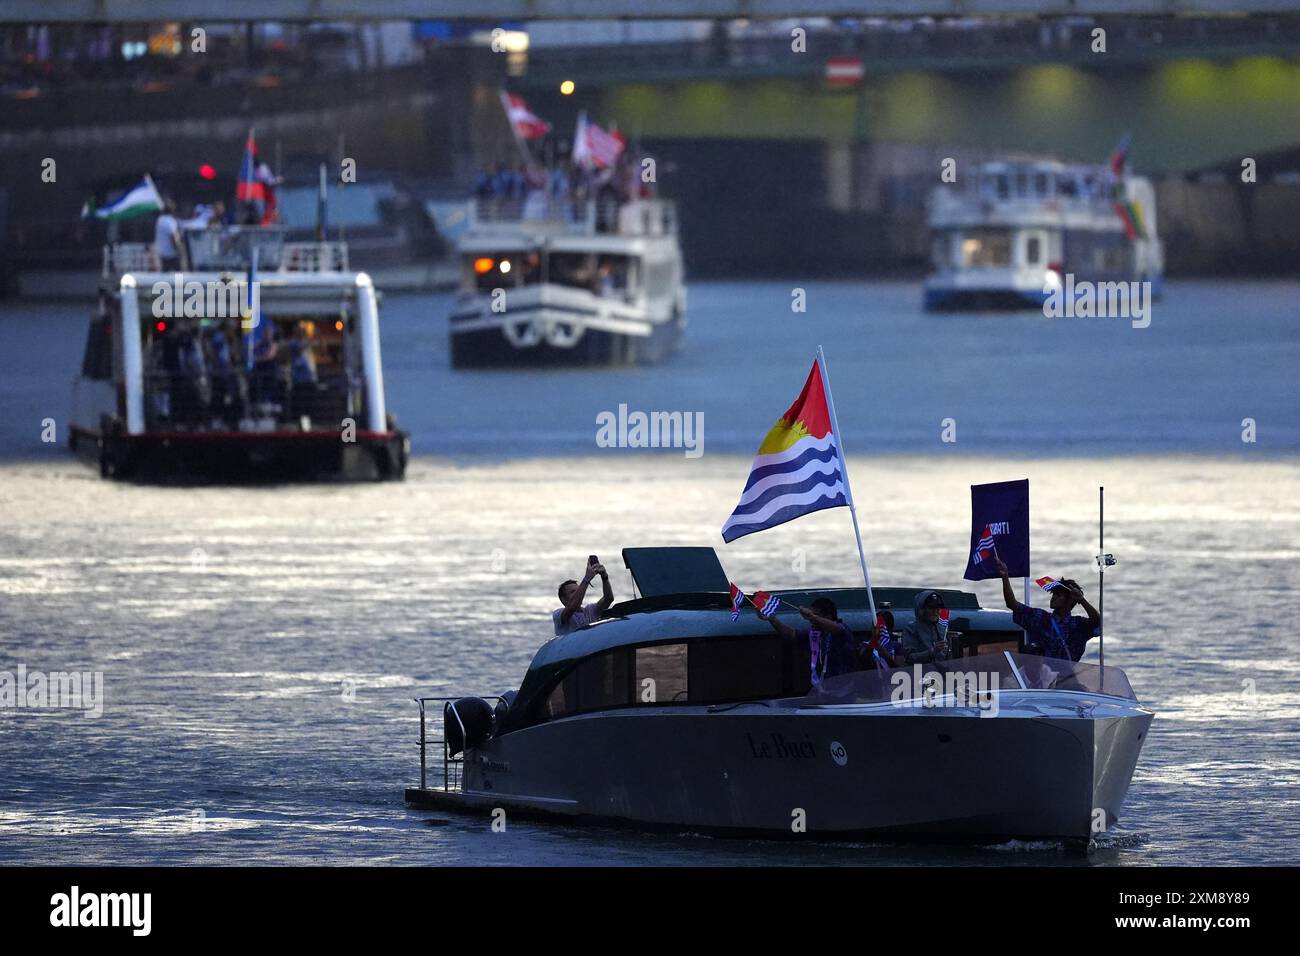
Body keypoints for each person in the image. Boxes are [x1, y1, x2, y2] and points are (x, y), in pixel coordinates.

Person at [994, 557, 1100, 661]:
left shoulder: (1078, 625)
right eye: (1053, 594)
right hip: (1043, 677)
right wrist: (1005, 577)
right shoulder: (1041, 618)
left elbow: (1098, 622)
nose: (1053, 597)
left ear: (1070, 600)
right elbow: (1012, 604)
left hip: (1067, 677)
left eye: (1058, 595)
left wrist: (1082, 600)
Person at [759, 597, 859, 687]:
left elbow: (836, 628)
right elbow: (791, 635)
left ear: (828, 616)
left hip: (845, 694)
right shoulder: (815, 633)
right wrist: (771, 618)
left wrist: (812, 616)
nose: (811, 620)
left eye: (816, 615)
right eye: (811, 617)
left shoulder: (843, 630)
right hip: (824, 692)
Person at [554, 558, 613, 635]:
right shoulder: (558, 614)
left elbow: (608, 599)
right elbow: (573, 606)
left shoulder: (590, 611)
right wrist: (586, 579)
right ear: (563, 600)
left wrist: (604, 577)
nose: (578, 593)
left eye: (578, 590)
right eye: (573, 592)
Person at [899, 590, 952, 664]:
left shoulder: (943, 628)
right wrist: (932, 651)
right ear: (921, 609)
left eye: (938, 608)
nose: (935, 611)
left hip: (941, 673)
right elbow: (909, 658)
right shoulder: (911, 629)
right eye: (931, 608)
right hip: (920, 673)